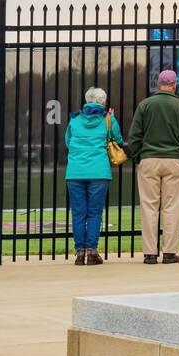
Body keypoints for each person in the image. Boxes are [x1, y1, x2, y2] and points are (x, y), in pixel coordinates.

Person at [128, 69, 179, 264]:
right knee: (172, 207)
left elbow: (134, 137)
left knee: (149, 207)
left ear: (158, 84)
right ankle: (169, 252)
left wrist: (139, 157)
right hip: (174, 160)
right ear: (174, 85)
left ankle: (150, 253)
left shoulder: (145, 105)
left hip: (149, 160)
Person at [64, 86, 124, 266]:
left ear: (86, 100)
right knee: (95, 212)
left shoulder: (74, 120)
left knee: (78, 213)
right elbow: (118, 140)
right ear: (103, 102)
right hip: (99, 172)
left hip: (75, 172)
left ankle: (79, 252)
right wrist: (112, 118)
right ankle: (91, 251)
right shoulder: (107, 119)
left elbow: (68, 141)